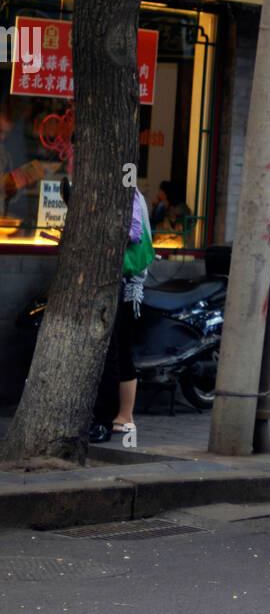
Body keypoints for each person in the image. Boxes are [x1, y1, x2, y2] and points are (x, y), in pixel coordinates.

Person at [90, 186, 154, 443]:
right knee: (118, 350)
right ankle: (120, 415)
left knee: (117, 351)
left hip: (127, 283)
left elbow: (131, 233)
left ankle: (122, 416)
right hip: (120, 282)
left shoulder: (129, 194)